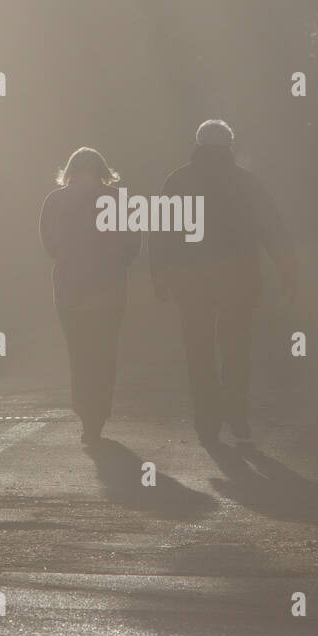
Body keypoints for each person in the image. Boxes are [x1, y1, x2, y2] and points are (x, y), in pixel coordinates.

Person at [149, 119, 297, 448]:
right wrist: (287, 269)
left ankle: (207, 420)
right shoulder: (246, 182)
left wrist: (158, 274)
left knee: (198, 349)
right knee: (236, 347)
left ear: (199, 145)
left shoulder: (178, 180)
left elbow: (161, 232)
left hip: (190, 279)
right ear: (229, 145)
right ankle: (237, 414)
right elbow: (271, 227)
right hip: (239, 277)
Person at [40, 147, 140, 444]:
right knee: (105, 351)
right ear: (102, 171)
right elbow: (133, 245)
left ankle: (85, 415)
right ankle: (99, 413)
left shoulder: (54, 200)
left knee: (78, 352)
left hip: (70, 289)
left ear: (70, 170)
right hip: (109, 288)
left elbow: (48, 247)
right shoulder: (119, 201)